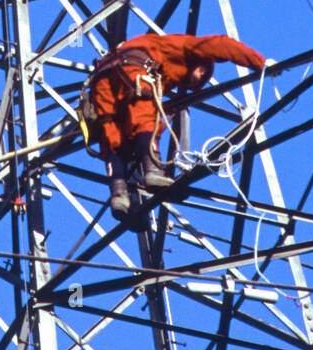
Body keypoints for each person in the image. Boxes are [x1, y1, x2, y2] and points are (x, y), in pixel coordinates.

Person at [87, 32, 266, 219]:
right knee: (145, 118)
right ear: (202, 67)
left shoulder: (167, 62)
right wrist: (259, 63)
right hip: (133, 67)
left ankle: (120, 196)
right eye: (201, 78)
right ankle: (154, 172)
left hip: (103, 78)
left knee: (113, 137)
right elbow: (222, 44)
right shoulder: (187, 47)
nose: (194, 84)